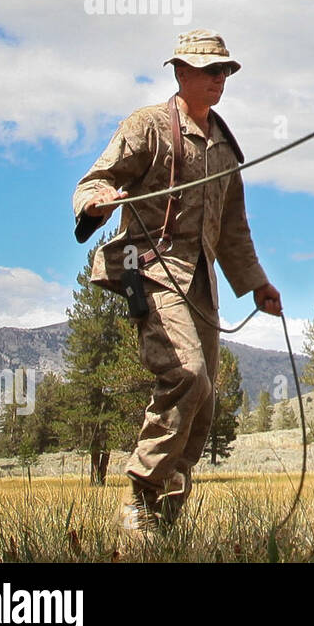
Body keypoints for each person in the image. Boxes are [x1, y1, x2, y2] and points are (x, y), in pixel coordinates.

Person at [72, 29, 281, 539]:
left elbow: (234, 229)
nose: (219, 79)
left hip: (203, 283)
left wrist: (257, 284)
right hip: (152, 267)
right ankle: (138, 498)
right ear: (180, 72)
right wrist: (97, 202)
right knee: (187, 374)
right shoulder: (147, 127)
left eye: (225, 71)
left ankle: (165, 522)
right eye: (210, 70)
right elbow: (93, 181)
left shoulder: (226, 150)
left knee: (205, 401)